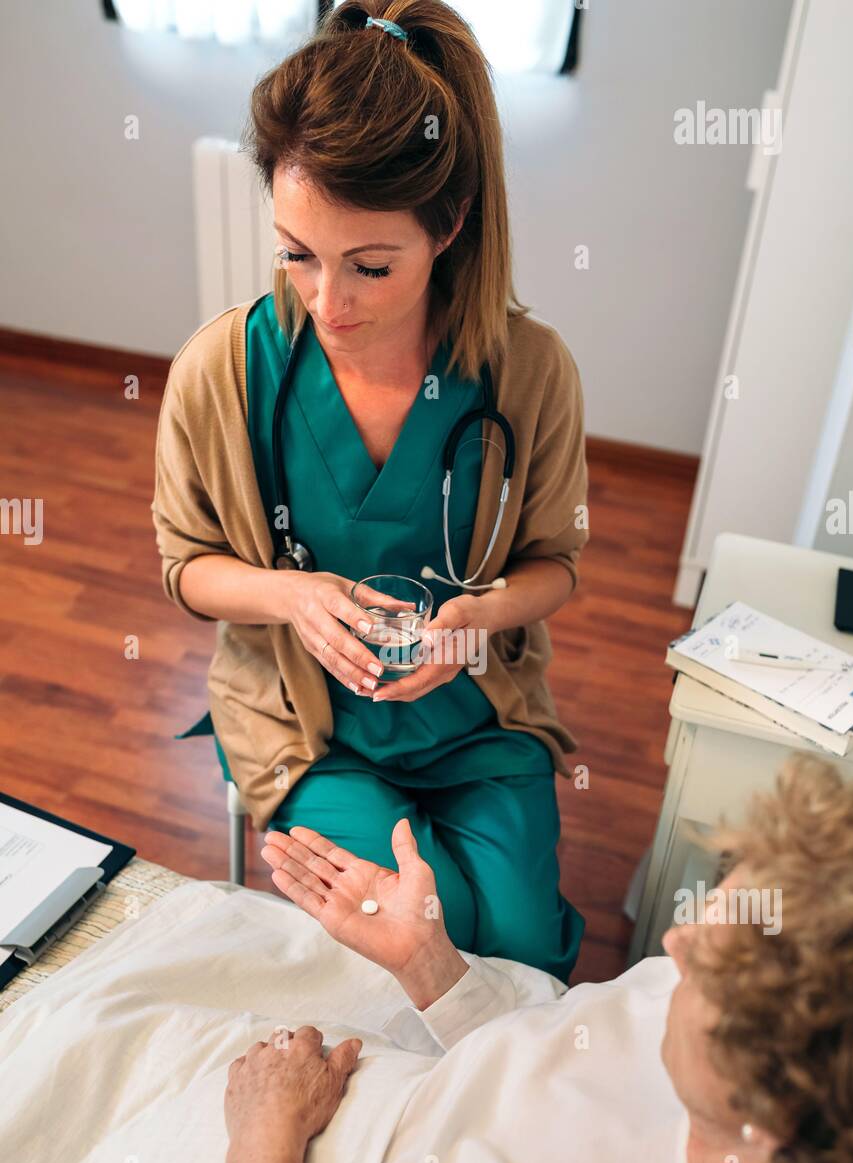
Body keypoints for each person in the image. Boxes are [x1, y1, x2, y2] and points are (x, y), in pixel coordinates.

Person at [152, 1, 588, 982]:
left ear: (450, 225)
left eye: (370, 266)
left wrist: (479, 618)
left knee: (523, 951)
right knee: (430, 928)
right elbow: (186, 568)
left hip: (474, 714)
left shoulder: (528, 373)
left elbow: (554, 564)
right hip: (307, 727)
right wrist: (292, 596)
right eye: (296, 252)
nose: (326, 301)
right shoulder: (223, 372)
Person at [165, 754, 853, 1163]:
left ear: (768, 1114)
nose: (675, 942)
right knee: (198, 930)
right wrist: (427, 963)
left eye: (704, 965)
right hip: (357, 1065)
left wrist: (264, 1140)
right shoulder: (686, 1014)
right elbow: (555, 1046)